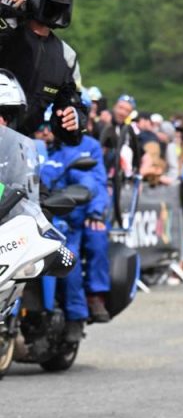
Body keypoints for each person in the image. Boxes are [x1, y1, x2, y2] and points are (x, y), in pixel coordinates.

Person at [38, 115, 110, 337]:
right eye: (41, 126)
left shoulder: (75, 151)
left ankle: (76, 317)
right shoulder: (33, 151)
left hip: (66, 220)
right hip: (34, 217)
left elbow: (89, 183)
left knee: (68, 260)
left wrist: (94, 211)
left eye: (48, 126)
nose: (44, 131)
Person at [0, 0, 85, 145]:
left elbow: (73, 111)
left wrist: (75, 119)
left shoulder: (67, 56)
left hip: (16, 153)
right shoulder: (6, 30)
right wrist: (4, 16)